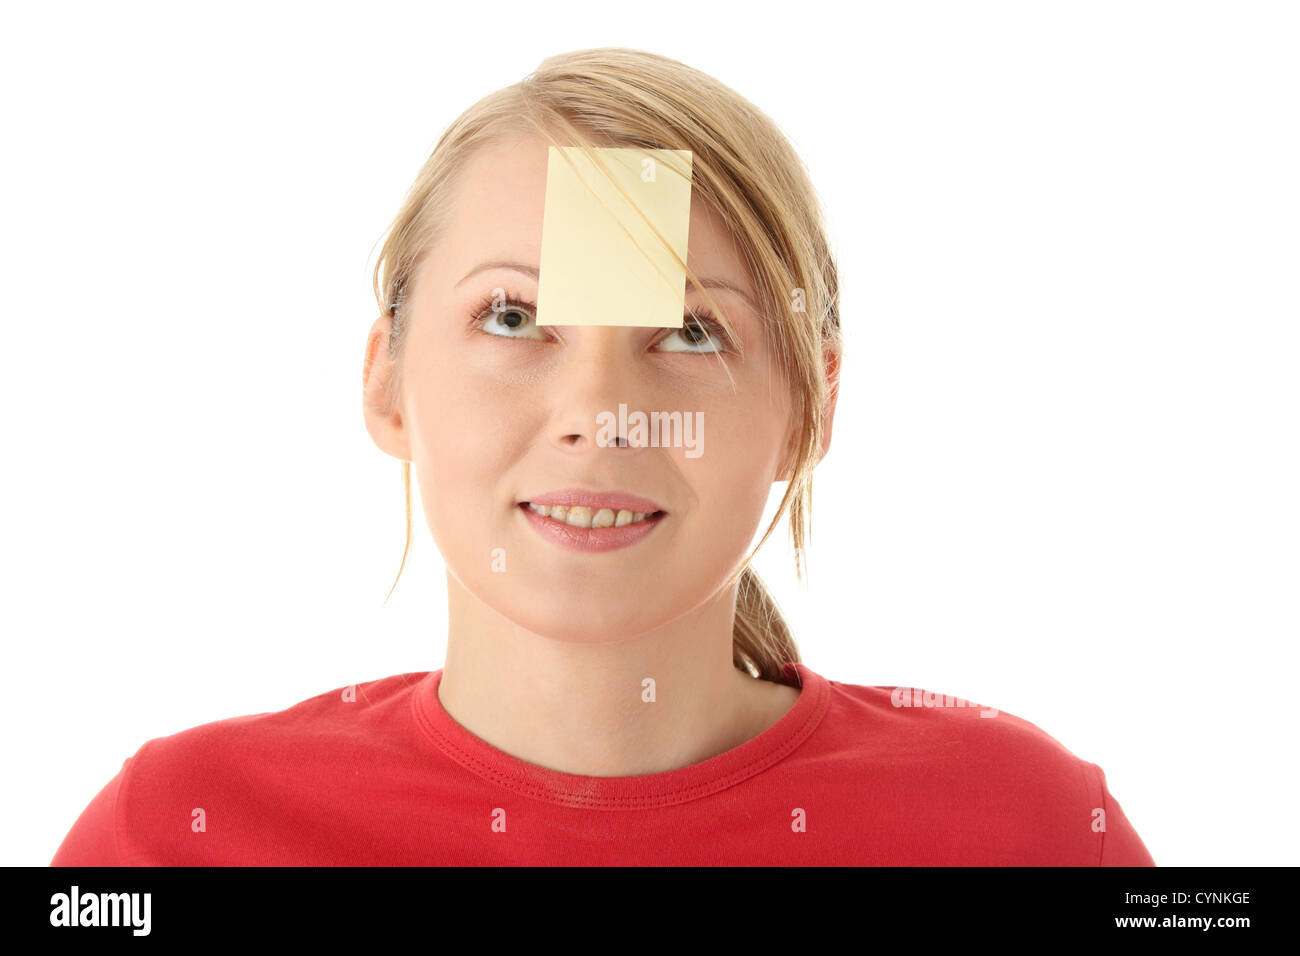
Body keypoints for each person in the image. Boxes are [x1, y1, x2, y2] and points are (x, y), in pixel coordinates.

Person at [50, 47, 1154, 866]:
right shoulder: (167, 836)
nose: (602, 416)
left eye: (687, 332)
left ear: (810, 407)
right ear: (386, 377)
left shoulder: (1032, 828)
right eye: (514, 319)